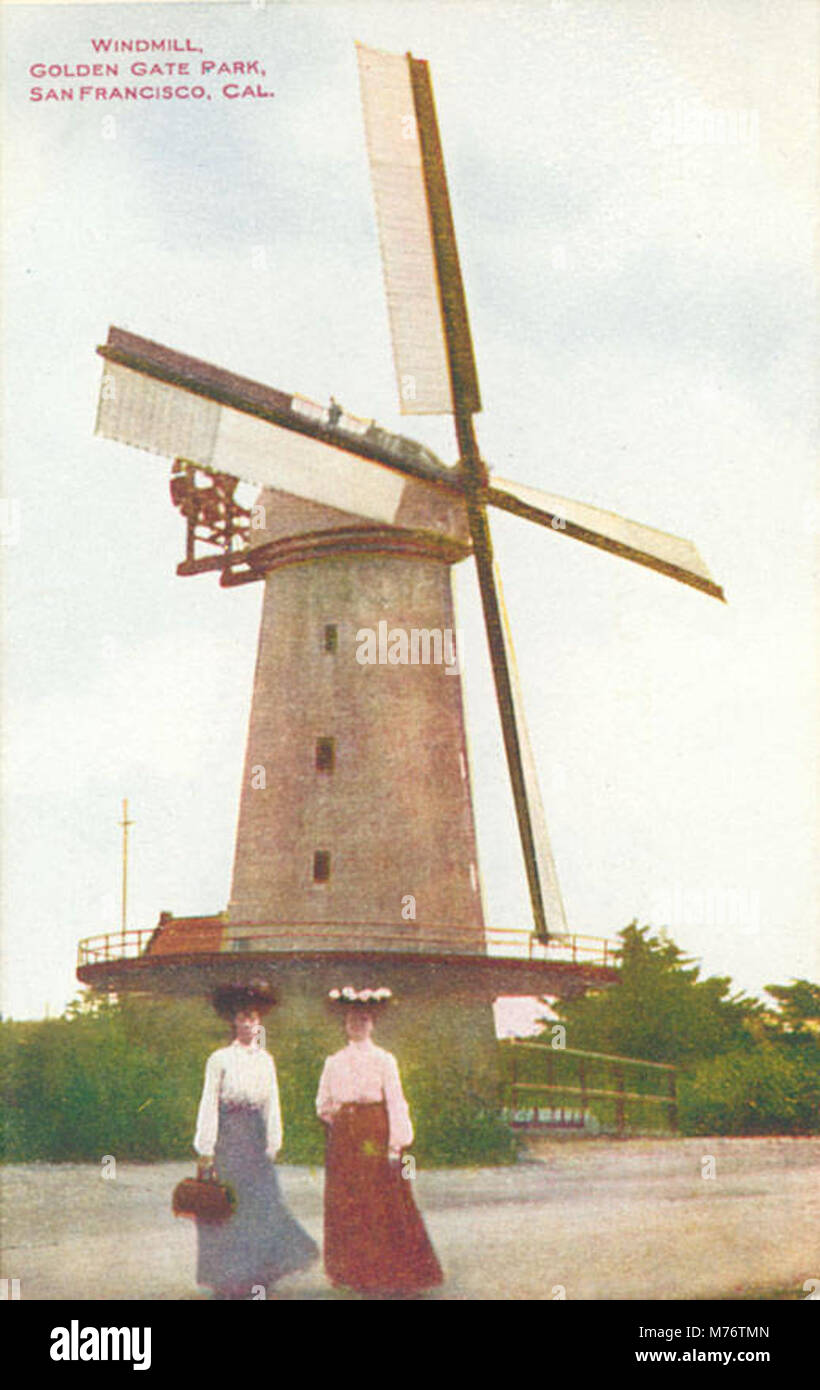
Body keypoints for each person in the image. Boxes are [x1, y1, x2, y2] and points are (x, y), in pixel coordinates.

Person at [193, 982, 318, 1299]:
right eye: (242, 1017)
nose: (248, 1023)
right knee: (228, 1205)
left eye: (253, 1017)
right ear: (234, 1021)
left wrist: (273, 1141)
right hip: (229, 1134)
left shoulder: (265, 1061)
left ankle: (258, 1275)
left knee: (261, 1205)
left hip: (255, 1135)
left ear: (259, 1022)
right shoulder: (219, 1059)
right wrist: (205, 1148)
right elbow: (209, 1102)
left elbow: (271, 1103)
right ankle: (228, 1279)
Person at [316, 986, 443, 1295]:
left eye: (363, 1020)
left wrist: (395, 1144)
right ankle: (352, 1269)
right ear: (345, 1025)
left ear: (372, 1024)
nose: (357, 1025)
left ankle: (391, 1271)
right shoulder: (334, 1061)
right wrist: (345, 1120)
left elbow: (397, 1101)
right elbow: (322, 1104)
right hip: (346, 1135)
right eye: (351, 1020)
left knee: (381, 1199)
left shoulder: (384, 1059)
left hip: (375, 1131)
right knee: (348, 1200)